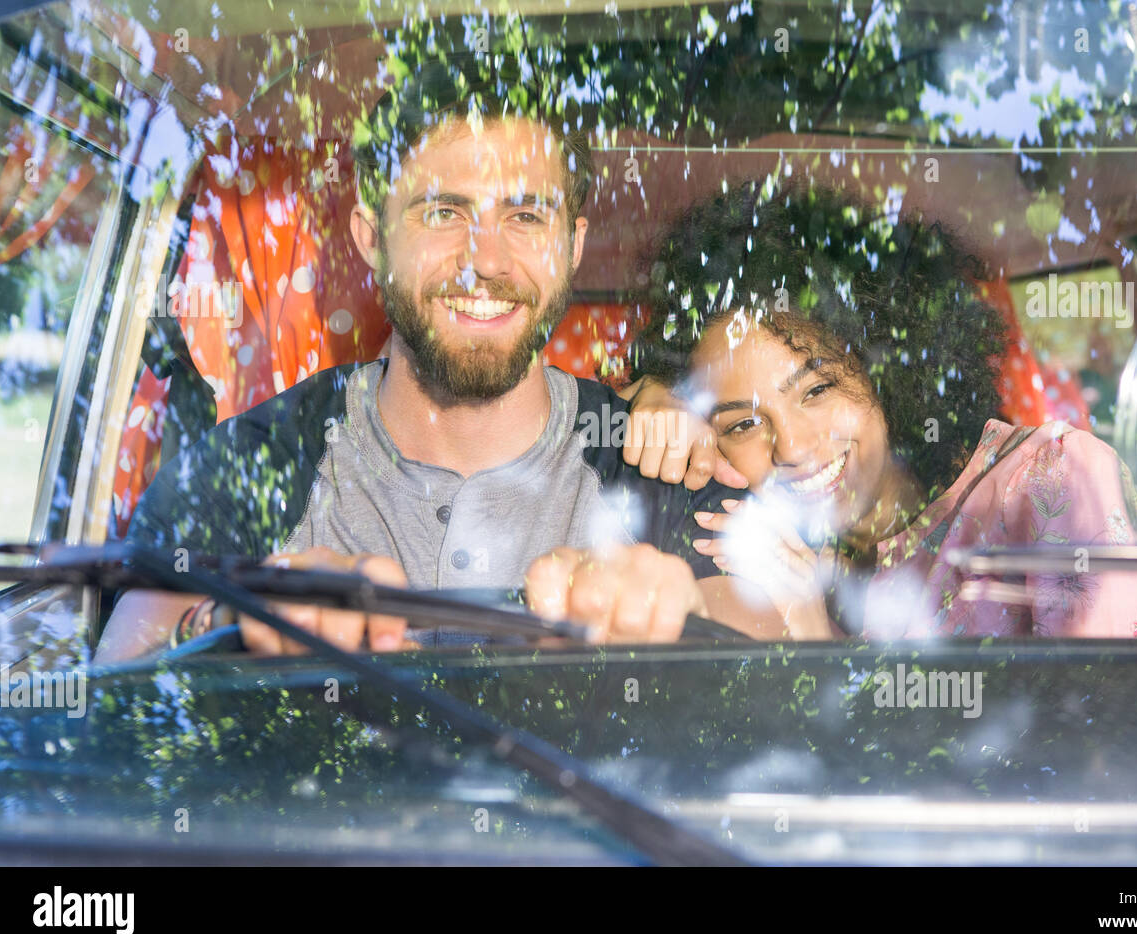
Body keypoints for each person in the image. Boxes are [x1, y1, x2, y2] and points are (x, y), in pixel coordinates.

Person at [96, 57, 778, 662]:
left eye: (525, 217)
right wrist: (230, 619)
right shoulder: (244, 468)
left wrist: (677, 605)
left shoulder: (667, 471)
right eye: (442, 212)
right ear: (372, 239)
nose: (484, 261)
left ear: (571, 247)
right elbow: (118, 710)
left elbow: (786, 664)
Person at [621, 179, 1137, 640]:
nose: (795, 447)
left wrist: (812, 641)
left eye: (817, 389)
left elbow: (1129, 751)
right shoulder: (795, 558)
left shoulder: (1049, 485)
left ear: (890, 364)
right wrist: (652, 396)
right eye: (744, 423)